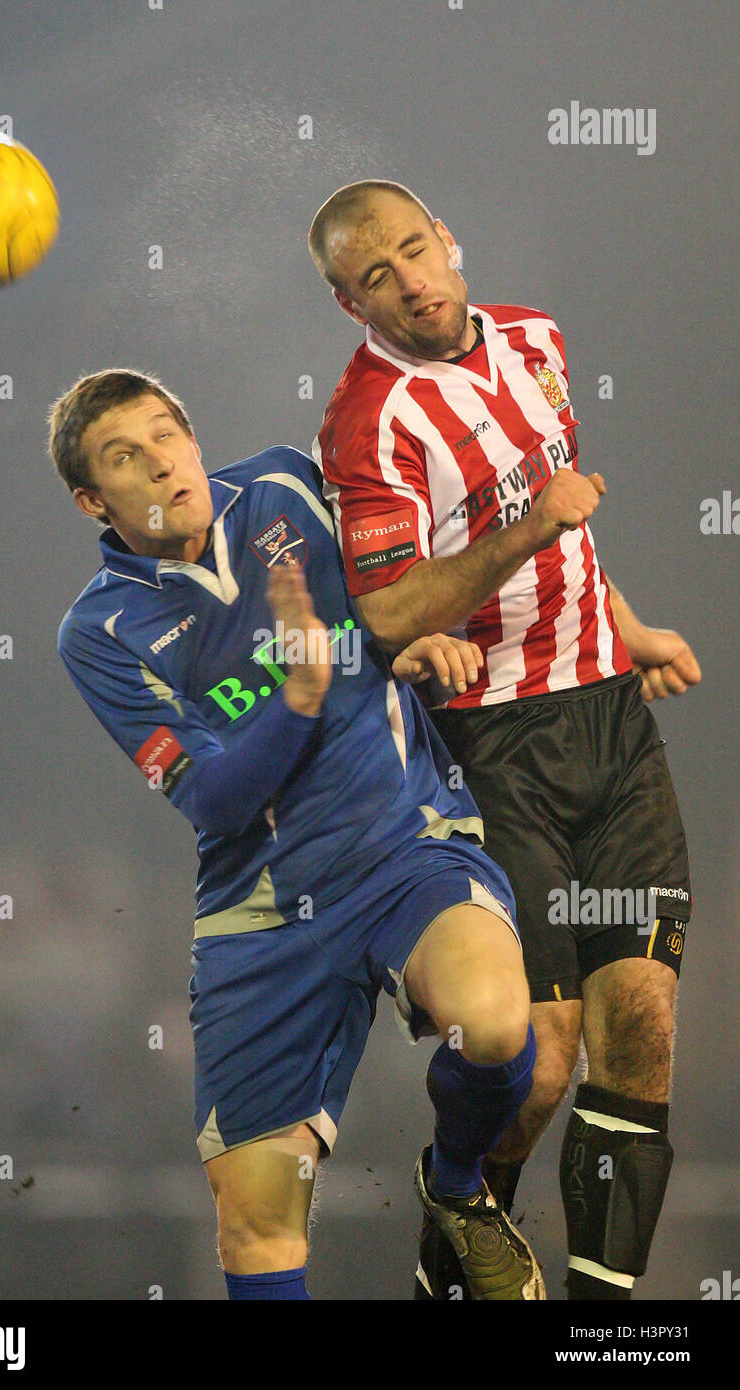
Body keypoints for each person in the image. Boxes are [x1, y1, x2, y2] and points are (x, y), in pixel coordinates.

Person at [49, 368, 545, 1300]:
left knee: (496, 1023)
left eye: (166, 436)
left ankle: (456, 1188)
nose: (159, 464)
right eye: (125, 457)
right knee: (257, 1227)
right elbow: (213, 802)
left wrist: (413, 645)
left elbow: (389, 593)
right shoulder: (100, 631)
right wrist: (300, 695)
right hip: (261, 918)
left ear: (195, 441)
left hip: (405, 850)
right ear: (91, 500)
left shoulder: (285, 486)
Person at [308, 180, 700, 1301]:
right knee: (539, 1059)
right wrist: (526, 527)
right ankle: (455, 1220)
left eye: (416, 249)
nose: (410, 280)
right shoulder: (365, 420)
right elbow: (385, 611)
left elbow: (570, 519)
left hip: (609, 723)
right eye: (376, 275)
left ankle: (603, 1323)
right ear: (350, 303)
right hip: (489, 748)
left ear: (449, 242)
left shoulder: (534, 341)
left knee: (642, 1022)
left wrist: (623, 625)